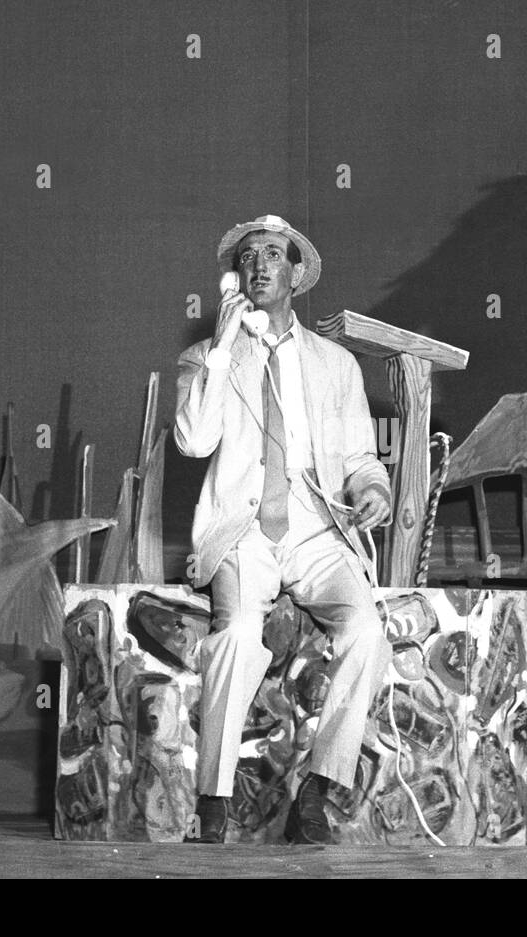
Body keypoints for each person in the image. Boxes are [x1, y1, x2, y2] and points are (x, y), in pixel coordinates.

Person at [173, 214, 392, 844]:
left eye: (274, 254)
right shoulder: (204, 358)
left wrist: (370, 491)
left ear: (295, 274)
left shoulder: (335, 365)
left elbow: (358, 459)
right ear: (234, 277)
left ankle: (317, 791)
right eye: (248, 257)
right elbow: (193, 441)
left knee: (368, 632)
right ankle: (212, 806)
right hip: (245, 531)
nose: (260, 265)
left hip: (317, 528)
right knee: (238, 634)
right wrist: (219, 347)